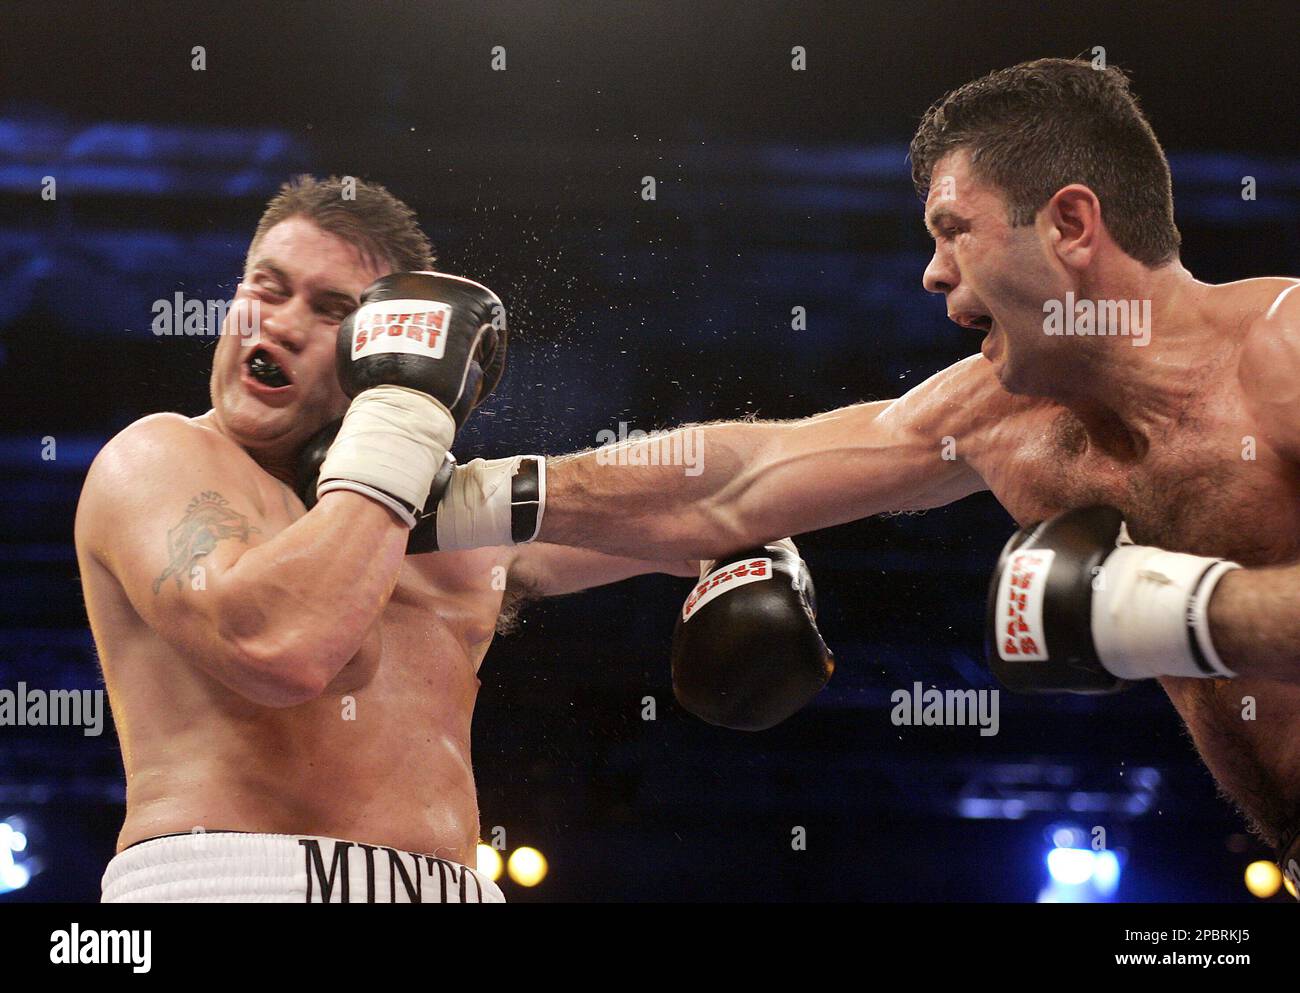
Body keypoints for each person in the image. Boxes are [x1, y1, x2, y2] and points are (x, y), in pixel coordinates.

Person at [429, 59, 1300, 885]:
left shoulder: (1283, 348)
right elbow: (740, 479)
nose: (932, 272)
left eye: (953, 231)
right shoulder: (1002, 417)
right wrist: (468, 497)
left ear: (1070, 225)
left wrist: (1189, 613)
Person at [75, 176, 707, 902]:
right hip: (235, 880)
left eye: (330, 308)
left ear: (370, 350)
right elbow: (289, 642)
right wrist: (400, 421)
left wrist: (757, 541)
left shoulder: (457, 522)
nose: (277, 324)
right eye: (267, 287)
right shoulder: (157, 457)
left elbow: (709, 495)